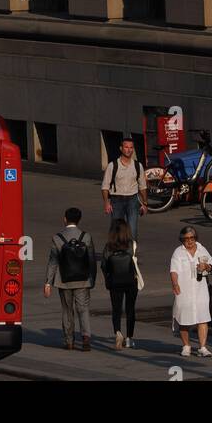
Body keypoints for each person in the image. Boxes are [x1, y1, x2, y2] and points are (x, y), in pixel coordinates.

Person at [43, 207, 96, 352]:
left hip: (63, 280)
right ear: (79, 220)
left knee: (67, 310)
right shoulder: (86, 236)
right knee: (83, 308)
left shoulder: (57, 238)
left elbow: (53, 261)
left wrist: (48, 282)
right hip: (83, 279)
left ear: (65, 219)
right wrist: (92, 279)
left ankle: (69, 340)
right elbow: (91, 259)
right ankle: (85, 337)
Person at [170, 224, 212, 358]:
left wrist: (206, 266)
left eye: (192, 238)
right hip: (184, 291)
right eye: (186, 239)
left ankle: (202, 347)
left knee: (203, 318)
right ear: (182, 240)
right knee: (184, 319)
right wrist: (175, 284)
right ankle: (186, 345)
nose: (189, 241)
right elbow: (173, 270)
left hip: (200, 290)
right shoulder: (178, 252)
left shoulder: (202, 249)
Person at [102, 218, 139, 350]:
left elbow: (103, 265)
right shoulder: (131, 244)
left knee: (116, 309)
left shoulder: (109, 246)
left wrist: (108, 278)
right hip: (130, 280)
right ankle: (129, 338)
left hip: (115, 281)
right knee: (130, 309)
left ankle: (118, 332)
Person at [101, 136, 148, 239]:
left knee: (132, 229)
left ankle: (132, 253)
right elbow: (105, 187)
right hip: (116, 200)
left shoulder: (137, 165)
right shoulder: (112, 165)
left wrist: (144, 203)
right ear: (121, 148)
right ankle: (115, 252)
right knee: (116, 229)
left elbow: (142, 186)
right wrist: (106, 203)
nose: (129, 150)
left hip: (132, 200)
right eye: (126, 147)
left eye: (131, 147)